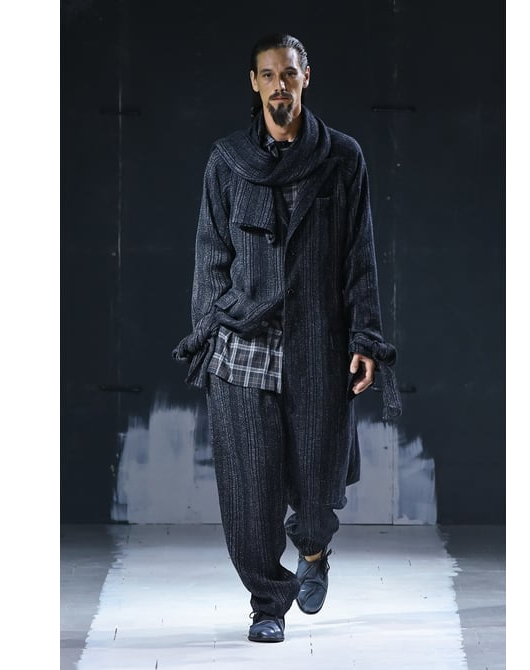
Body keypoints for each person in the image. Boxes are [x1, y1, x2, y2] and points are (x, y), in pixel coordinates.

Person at [172, 33, 401, 644]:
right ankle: (268, 603)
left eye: (289, 74)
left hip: (318, 344)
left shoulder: (342, 158)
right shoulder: (227, 162)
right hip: (242, 347)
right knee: (250, 490)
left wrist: (365, 338)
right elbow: (209, 255)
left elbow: (359, 256)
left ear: (306, 78)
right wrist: (210, 334)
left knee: (318, 486)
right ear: (254, 83)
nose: (280, 86)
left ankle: (315, 551)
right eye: (269, 75)